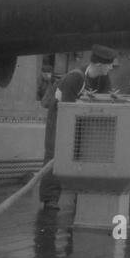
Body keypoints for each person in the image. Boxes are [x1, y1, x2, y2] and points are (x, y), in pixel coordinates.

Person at [40, 62, 86, 204]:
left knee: (81, 157)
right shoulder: (76, 77)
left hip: (80, 121)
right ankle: (50, 199)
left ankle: (81, 197)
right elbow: (67, 106)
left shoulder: (101, 77)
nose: (109, 68)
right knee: (54, 156)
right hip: (58, 116)